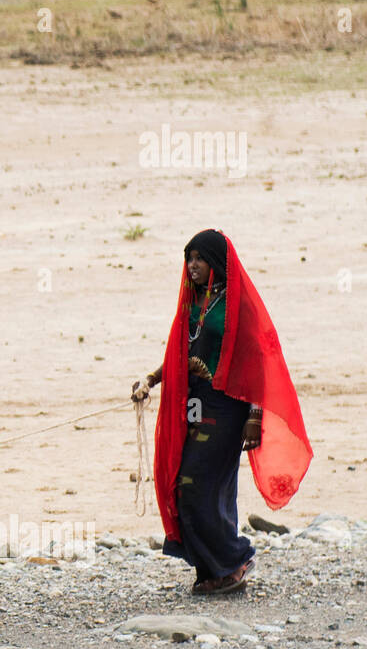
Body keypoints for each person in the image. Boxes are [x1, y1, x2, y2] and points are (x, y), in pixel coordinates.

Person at [132, 230, 312, 595]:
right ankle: (212, 569)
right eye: (189, 258)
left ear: (215, 263)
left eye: (199, 259)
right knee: (189, 485)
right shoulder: (193, 302)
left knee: (196, 486)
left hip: (229, 408)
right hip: (195, 405)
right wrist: (151, 380)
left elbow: (258, 360)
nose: (192, 266)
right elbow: (180, 356)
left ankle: (235, 560)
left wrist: (255, 416)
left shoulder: (236, 304)